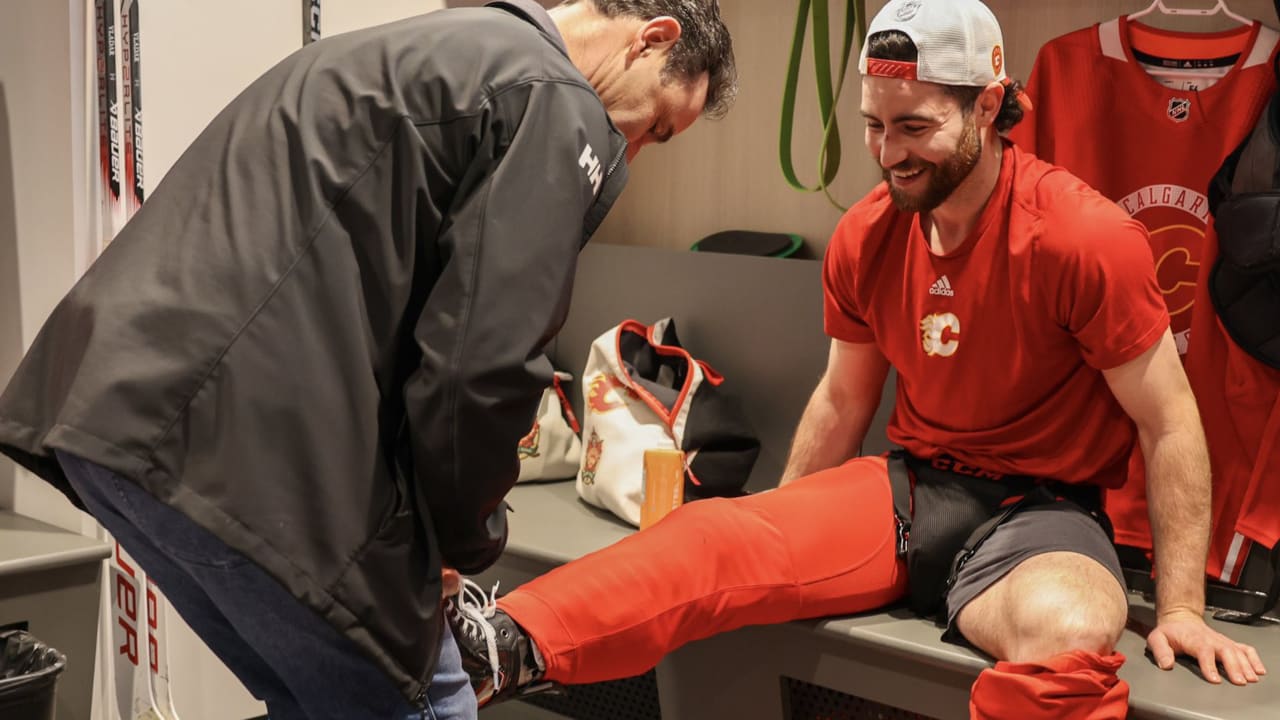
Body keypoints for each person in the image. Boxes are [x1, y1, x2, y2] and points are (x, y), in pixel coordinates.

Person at [445, 1, 1267, 717]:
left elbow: (1170, 422)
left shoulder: (1083, 238)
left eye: (915, 127)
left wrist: (1181, 609)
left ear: (988, 105)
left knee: (1072, 629)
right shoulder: (870, 232)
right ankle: (493, 649)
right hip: (910, 492)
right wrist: (779, 542)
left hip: (1039, 513)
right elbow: (843, 401)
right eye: (874, 124)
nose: (889, 151)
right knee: (717, 535)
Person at [0, 1, 734, 718]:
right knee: (431, 701)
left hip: (112, 417)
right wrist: (460, 542)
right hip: (246, 455)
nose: (634, 151)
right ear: (651, 38)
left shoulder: (430, 47)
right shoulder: (554, 99)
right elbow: (480, 370)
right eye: (656, 126)